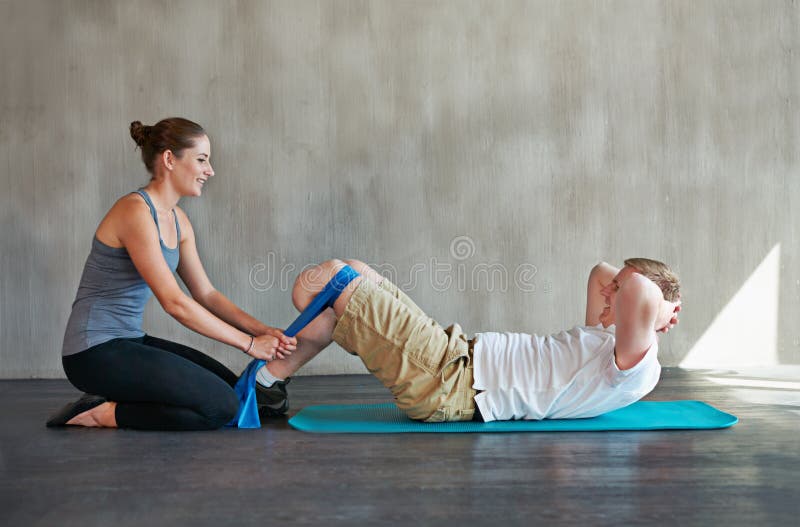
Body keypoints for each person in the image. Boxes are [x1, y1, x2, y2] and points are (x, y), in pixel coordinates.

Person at [47, 118, 296, 430]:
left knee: (233, 393)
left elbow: (206, 294)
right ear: (169, 159)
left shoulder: (178, 220)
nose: (210, 171)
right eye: (202, 160)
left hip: (129, 341)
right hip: (92, 353)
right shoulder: (135, 212)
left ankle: (122, 400)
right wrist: (248, 344)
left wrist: (263, 331)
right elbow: (174, 302)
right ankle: (102, 413)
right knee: (222, 408)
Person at [264, 257, 681, 422]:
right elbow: (599, 271)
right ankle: (271, 383)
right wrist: (626, 290)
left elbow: (642, 290)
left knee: (325, 281)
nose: (609, 292)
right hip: (455, 354)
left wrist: (663, 306)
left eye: (619, 292)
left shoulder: (635, 366)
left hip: (453, 382)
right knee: (351, 274)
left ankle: (268, 378)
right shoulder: (601, 339)